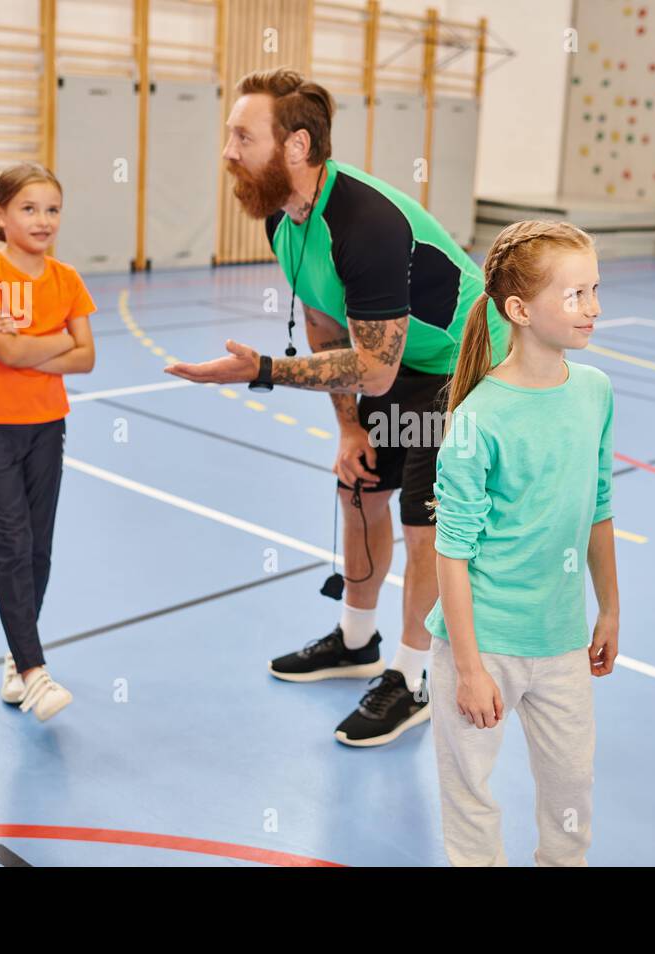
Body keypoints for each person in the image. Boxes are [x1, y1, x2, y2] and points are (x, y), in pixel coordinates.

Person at [166, 67, 510, 746]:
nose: (228, 151)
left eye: (242, 135)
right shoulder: (282, 218)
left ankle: (411, 677)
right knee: (359, 490)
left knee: (424, 523)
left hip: (461, 361)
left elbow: (375, 369)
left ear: (296, 146)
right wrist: (348, 428)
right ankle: (357, 642)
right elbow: (326, 323)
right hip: (396, 362)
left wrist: (261, 370)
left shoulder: (366, 224)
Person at [426, 220, 619, 866]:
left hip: (561, 638)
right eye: (575, 295)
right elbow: (451, 553)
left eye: (595, 290)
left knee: (572, 795)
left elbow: (598, 509)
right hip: (479, 641)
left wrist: (610, 607)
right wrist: (472, 669)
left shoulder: (595, 392)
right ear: (519, 311)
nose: (593, 308)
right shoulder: (479, 417)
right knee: (472, 801)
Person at [0, 161, 97, 722]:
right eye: (28, 208)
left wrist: (38, 342)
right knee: (11, 548)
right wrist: (59, 339)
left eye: (52, 209)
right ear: (0, 215)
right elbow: (5, 354)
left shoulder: (67, 279)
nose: (43, 220)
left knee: (38, 549)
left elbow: (87, 358)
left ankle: (18, 656)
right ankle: (35, 671)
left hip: (48, 425)